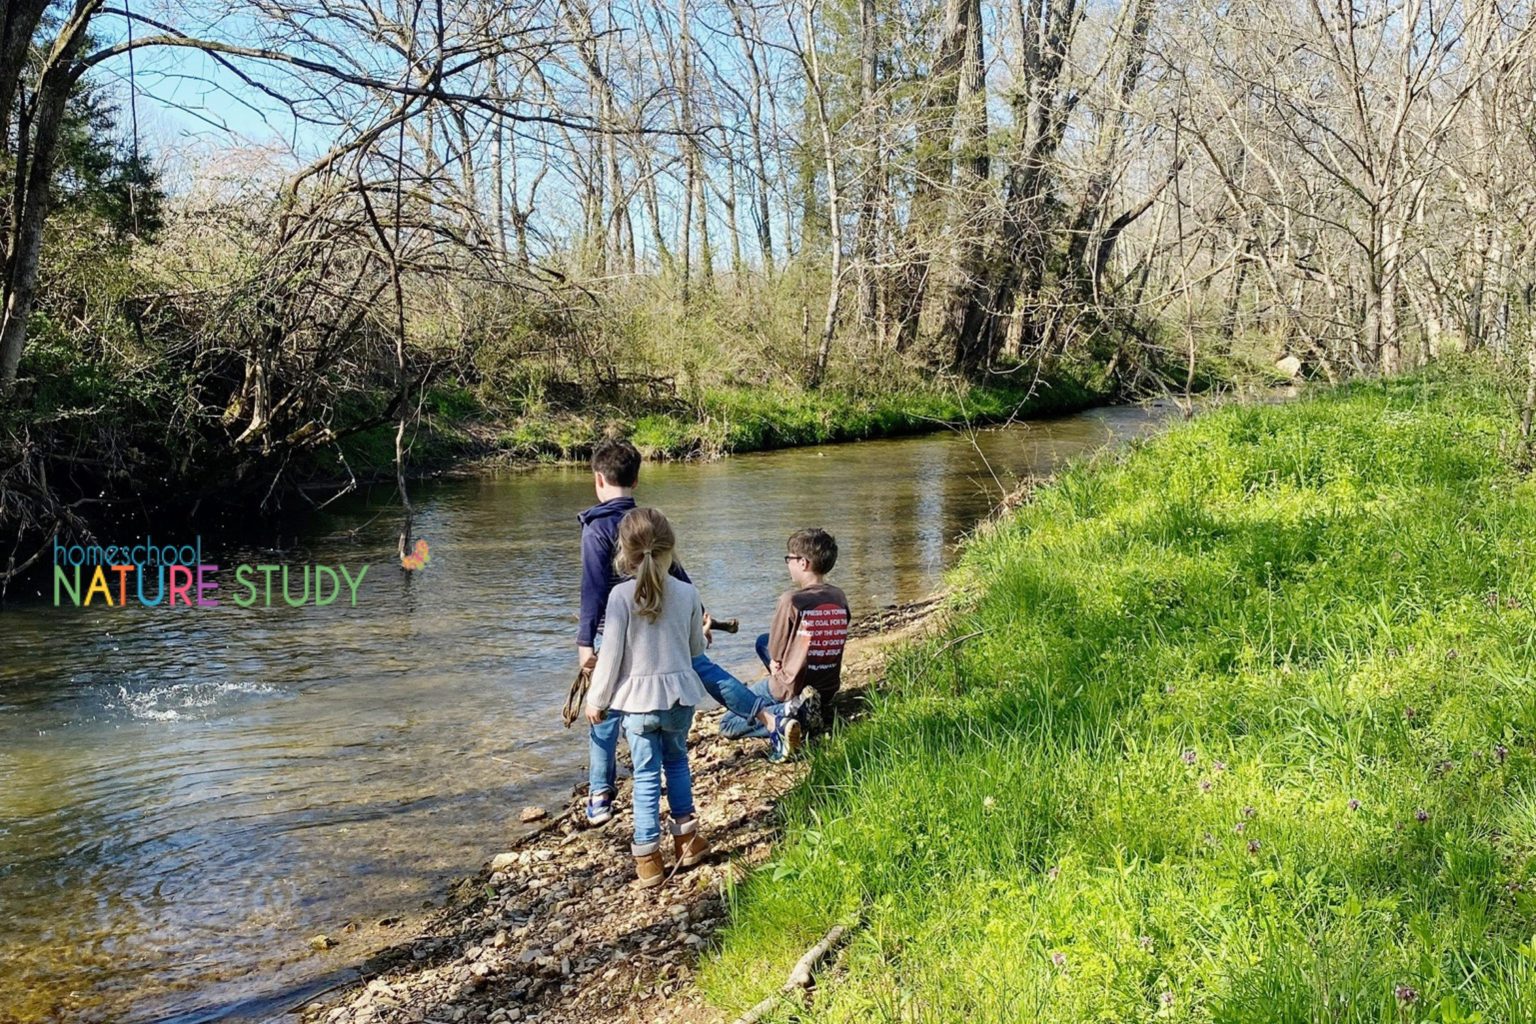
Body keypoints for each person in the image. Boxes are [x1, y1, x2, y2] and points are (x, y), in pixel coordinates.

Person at [577, 440, 805, 827]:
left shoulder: (597, 529)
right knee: (703, 671)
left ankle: (601, 793)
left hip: (618, 630)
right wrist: (699, 611)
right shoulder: (651, 522)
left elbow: (592, 590)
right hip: (673, 627)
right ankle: (767, 718)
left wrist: (585, 643)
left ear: (598, 480)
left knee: (605, 709)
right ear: (636, 478)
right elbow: (676, 571)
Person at [584, 508, 710, 888]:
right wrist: (703, 632)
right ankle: (687, 841)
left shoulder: (620, 596)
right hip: (679, 700)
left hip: (638, 705)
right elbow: (695, 650)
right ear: (670, 549)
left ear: (624, 552)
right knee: (678, 764)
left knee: (645, 777)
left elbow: (610, 657)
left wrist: (597, 699)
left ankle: (649, 859)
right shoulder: (688, 592)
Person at [722, 528, 850, 739]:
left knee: (728, 723)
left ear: (803, 563)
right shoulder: (839, 596)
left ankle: (790, 712)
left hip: (793, 684)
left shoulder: (791, 600)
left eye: (789, 558)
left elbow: (776, 652)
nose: (788, 564)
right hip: (827, 685)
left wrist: (775, 663)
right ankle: (803, 705)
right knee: (762, 641)